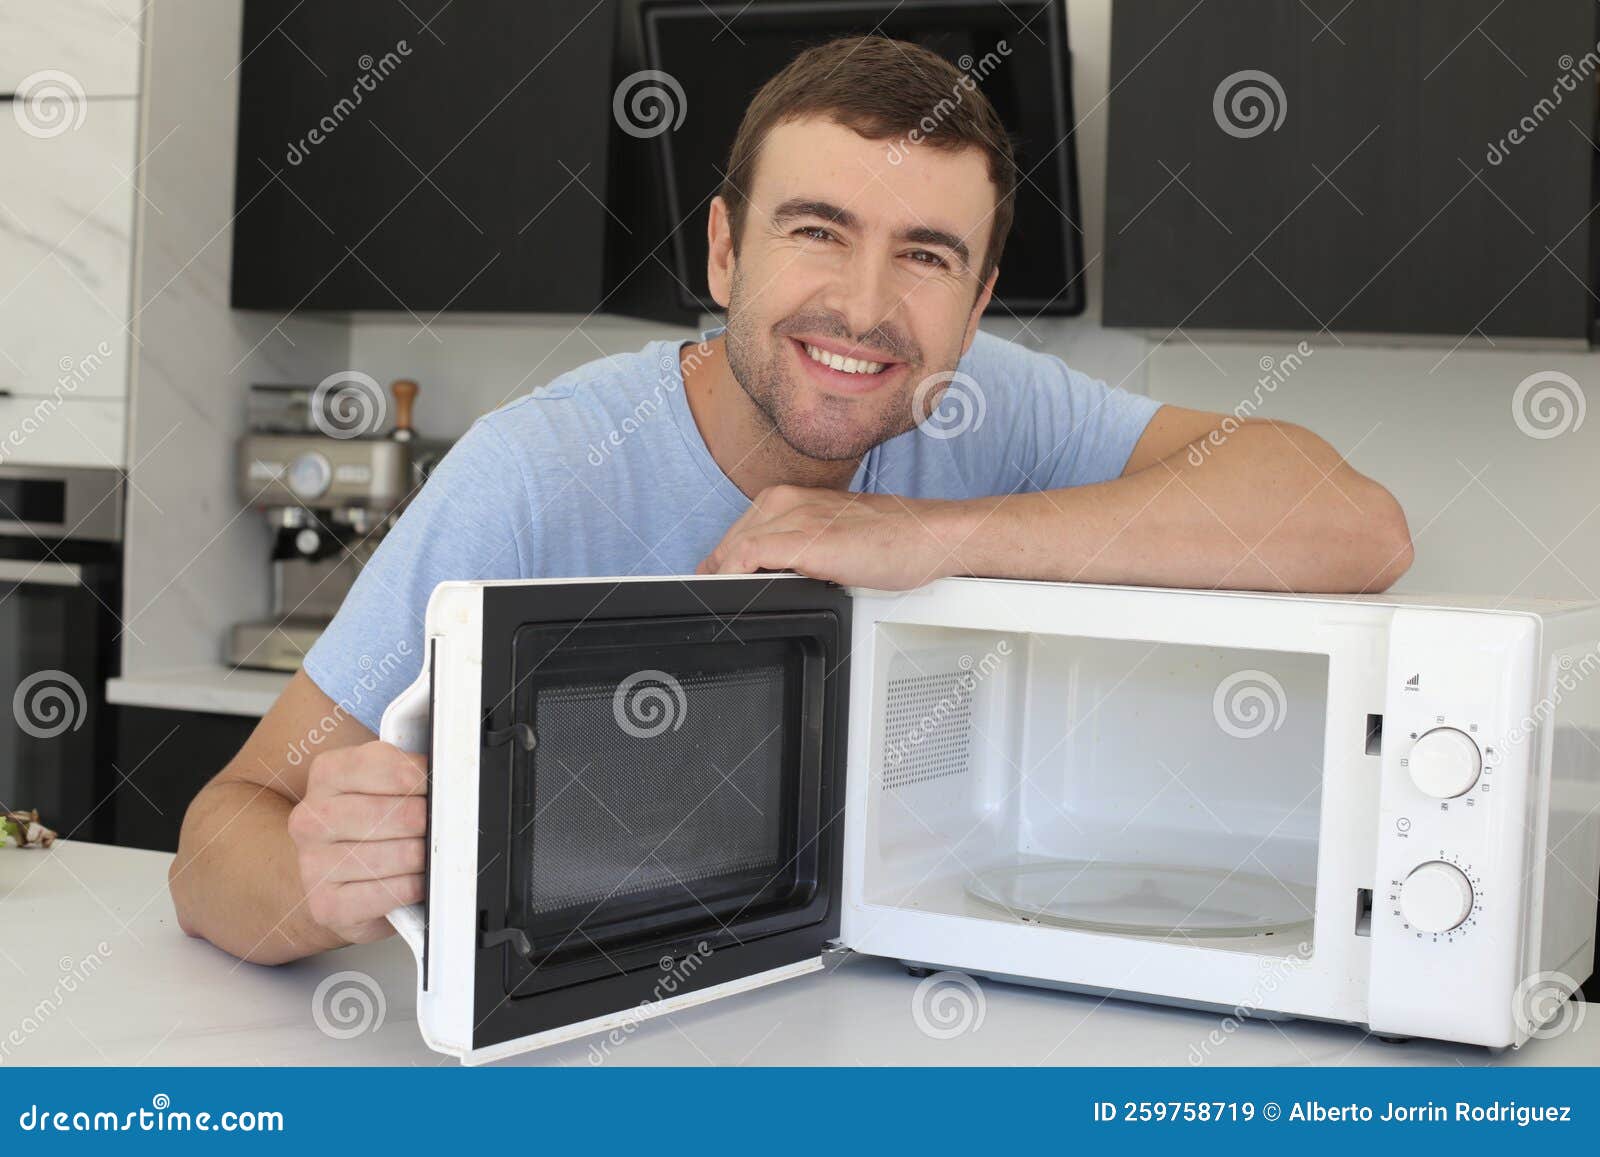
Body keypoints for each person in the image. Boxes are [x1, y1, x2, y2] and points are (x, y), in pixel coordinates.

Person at [170, 36, 1412, 963]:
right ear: (723, 251)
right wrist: (318, 880)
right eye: (817, 230)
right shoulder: (535, 471)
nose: (867, 308)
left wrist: (930, 536)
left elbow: (1353, 521)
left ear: (977, 306)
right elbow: (220, 838)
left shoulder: (985, 408)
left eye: (926, 256)